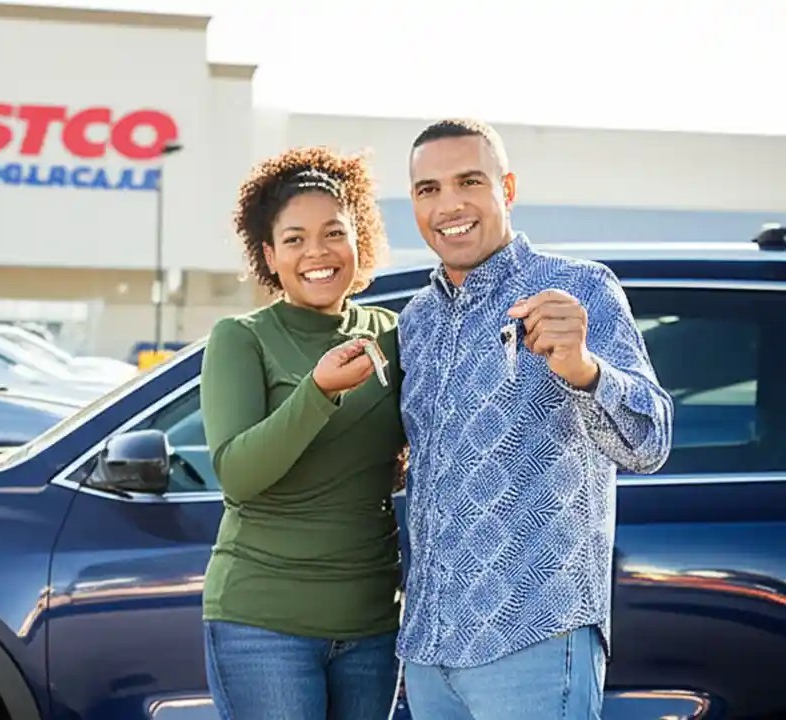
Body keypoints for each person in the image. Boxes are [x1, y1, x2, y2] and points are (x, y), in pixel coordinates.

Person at [395, 118, 674, 719]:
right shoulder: (415, 321)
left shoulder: (578, 288)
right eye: (428, 189)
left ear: (508, 188)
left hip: (533, 636)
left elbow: (650, 442)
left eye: (469, 181)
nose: (449, 205)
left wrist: (584, 368)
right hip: (427, 650)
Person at [199, 146, 407, 720]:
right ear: (269, 254)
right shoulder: (241, 339)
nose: (316, 252)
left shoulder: (393, 332)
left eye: (333, 233)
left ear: (358, 239)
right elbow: (239, 476)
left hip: (371, 624)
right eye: (294, 239)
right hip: (263, 623)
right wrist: (316, 392)